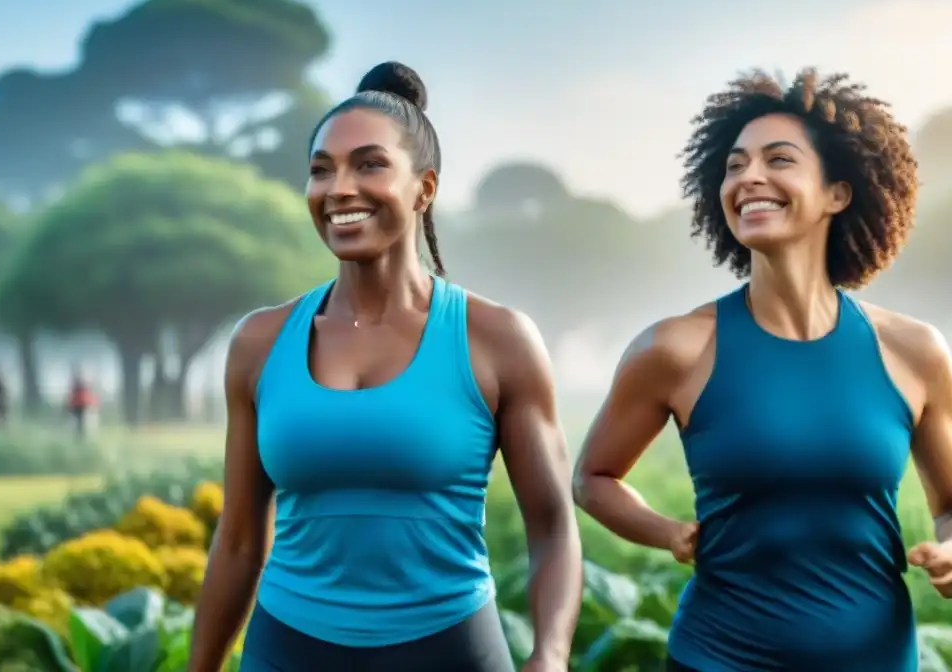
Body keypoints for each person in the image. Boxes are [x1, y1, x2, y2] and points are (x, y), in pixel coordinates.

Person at [189, 62, 582, 672]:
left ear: (424, 188)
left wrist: (551, 653)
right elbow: (240, 542)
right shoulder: (260, 342)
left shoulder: (497, 339)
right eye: (322, 170)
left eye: (369, 165)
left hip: (450, 649)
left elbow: (553, 527)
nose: (339, 188)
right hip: (287, 651)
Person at [573, 69, 952, 671]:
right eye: (734, 165)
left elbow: (950, 501)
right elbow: (592, 477)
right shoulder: (675, 349)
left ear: (838, 193)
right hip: (718, 659)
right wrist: (667, 532)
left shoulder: (914, 351)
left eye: (779, 160)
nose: (749, 177)